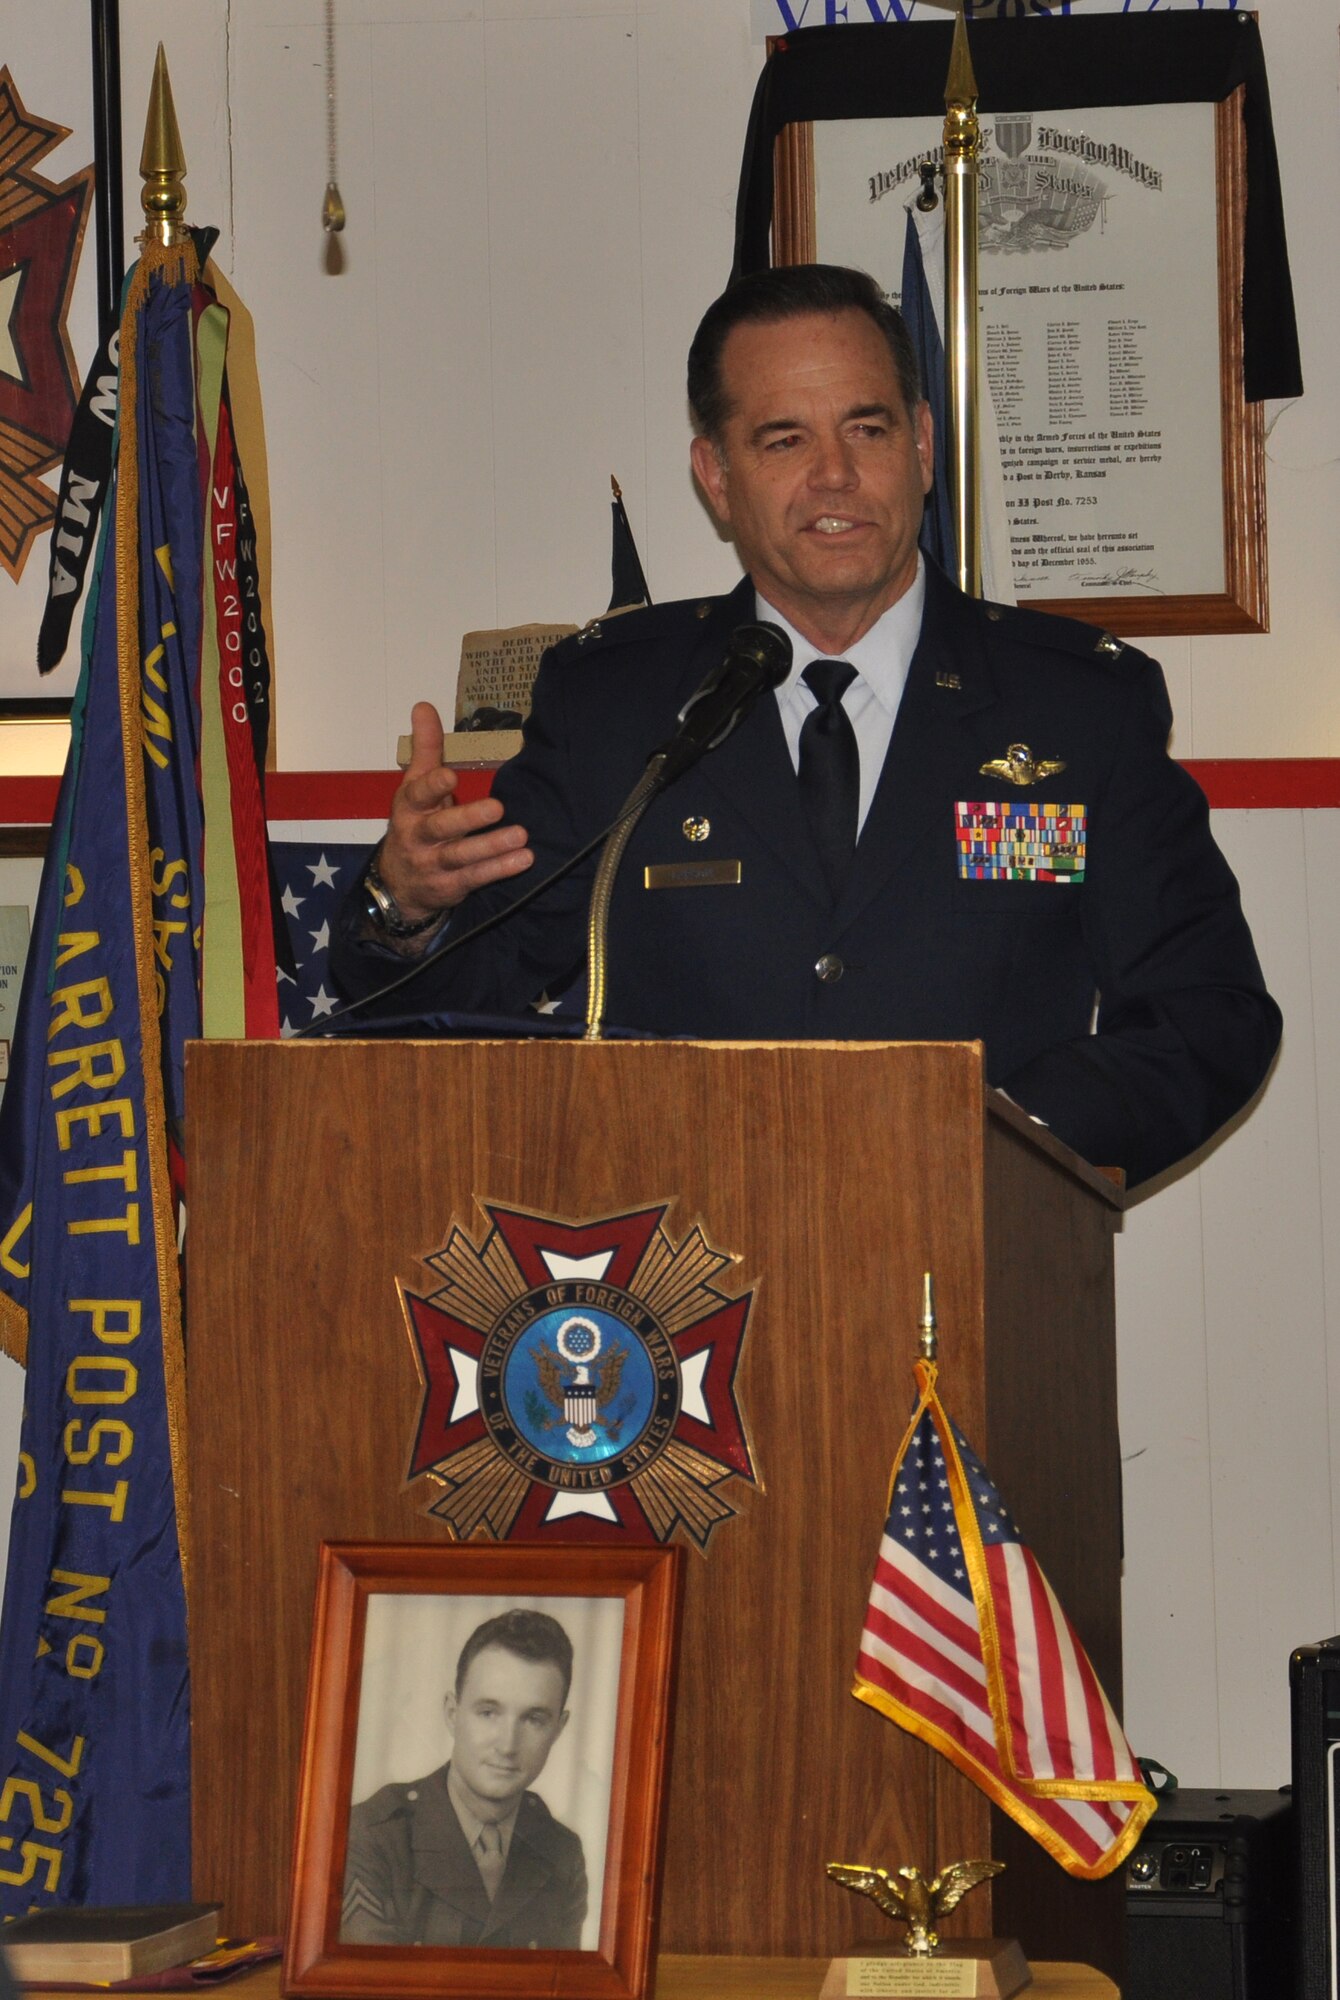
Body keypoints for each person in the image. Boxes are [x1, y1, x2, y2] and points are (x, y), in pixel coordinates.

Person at [331, 263, 1281, 1189]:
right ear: (715, 473)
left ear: (920, 445)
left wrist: (1007, 1143)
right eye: (783, 440)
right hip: (677, 1284)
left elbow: (1209, 1017)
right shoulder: (612, 707)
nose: (834, 475)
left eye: (865, 428)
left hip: (991, 1266)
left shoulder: (1077, 706)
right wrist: (404, 910)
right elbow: (446, 1011)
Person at [340, 1608, 587, 1949]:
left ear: (558, 1729)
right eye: (488, 1713)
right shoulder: (373, 1835)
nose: (507, 1745)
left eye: (533, 1719)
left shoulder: (562, 1852)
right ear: (453, 1715)